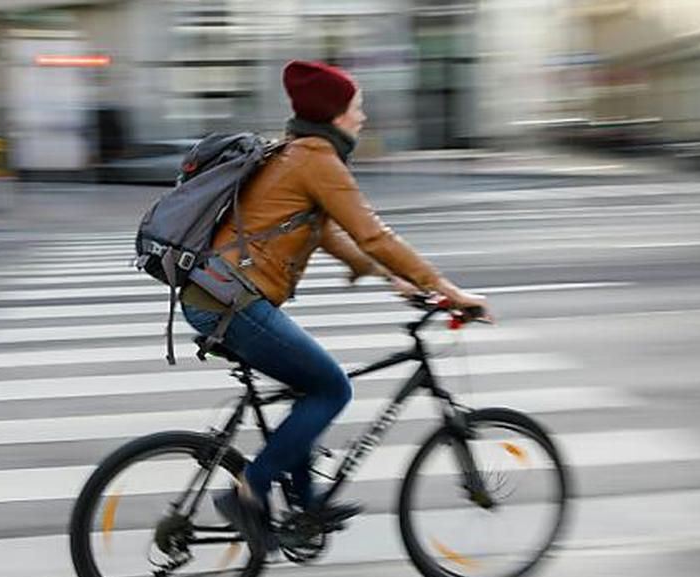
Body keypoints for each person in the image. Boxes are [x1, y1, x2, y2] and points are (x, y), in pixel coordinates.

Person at [180, 59, 493, 547]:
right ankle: (251, 491)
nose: (362, 116)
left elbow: (321, 227)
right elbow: (373, 232)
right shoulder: (316, 159)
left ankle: (305, 508)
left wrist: (384, 275)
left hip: (220, 294)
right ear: (333, 114)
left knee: (311, 387)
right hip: (229, 302)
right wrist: (449, 290)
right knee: (332, 389)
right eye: (356, 107)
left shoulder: (295, 152)